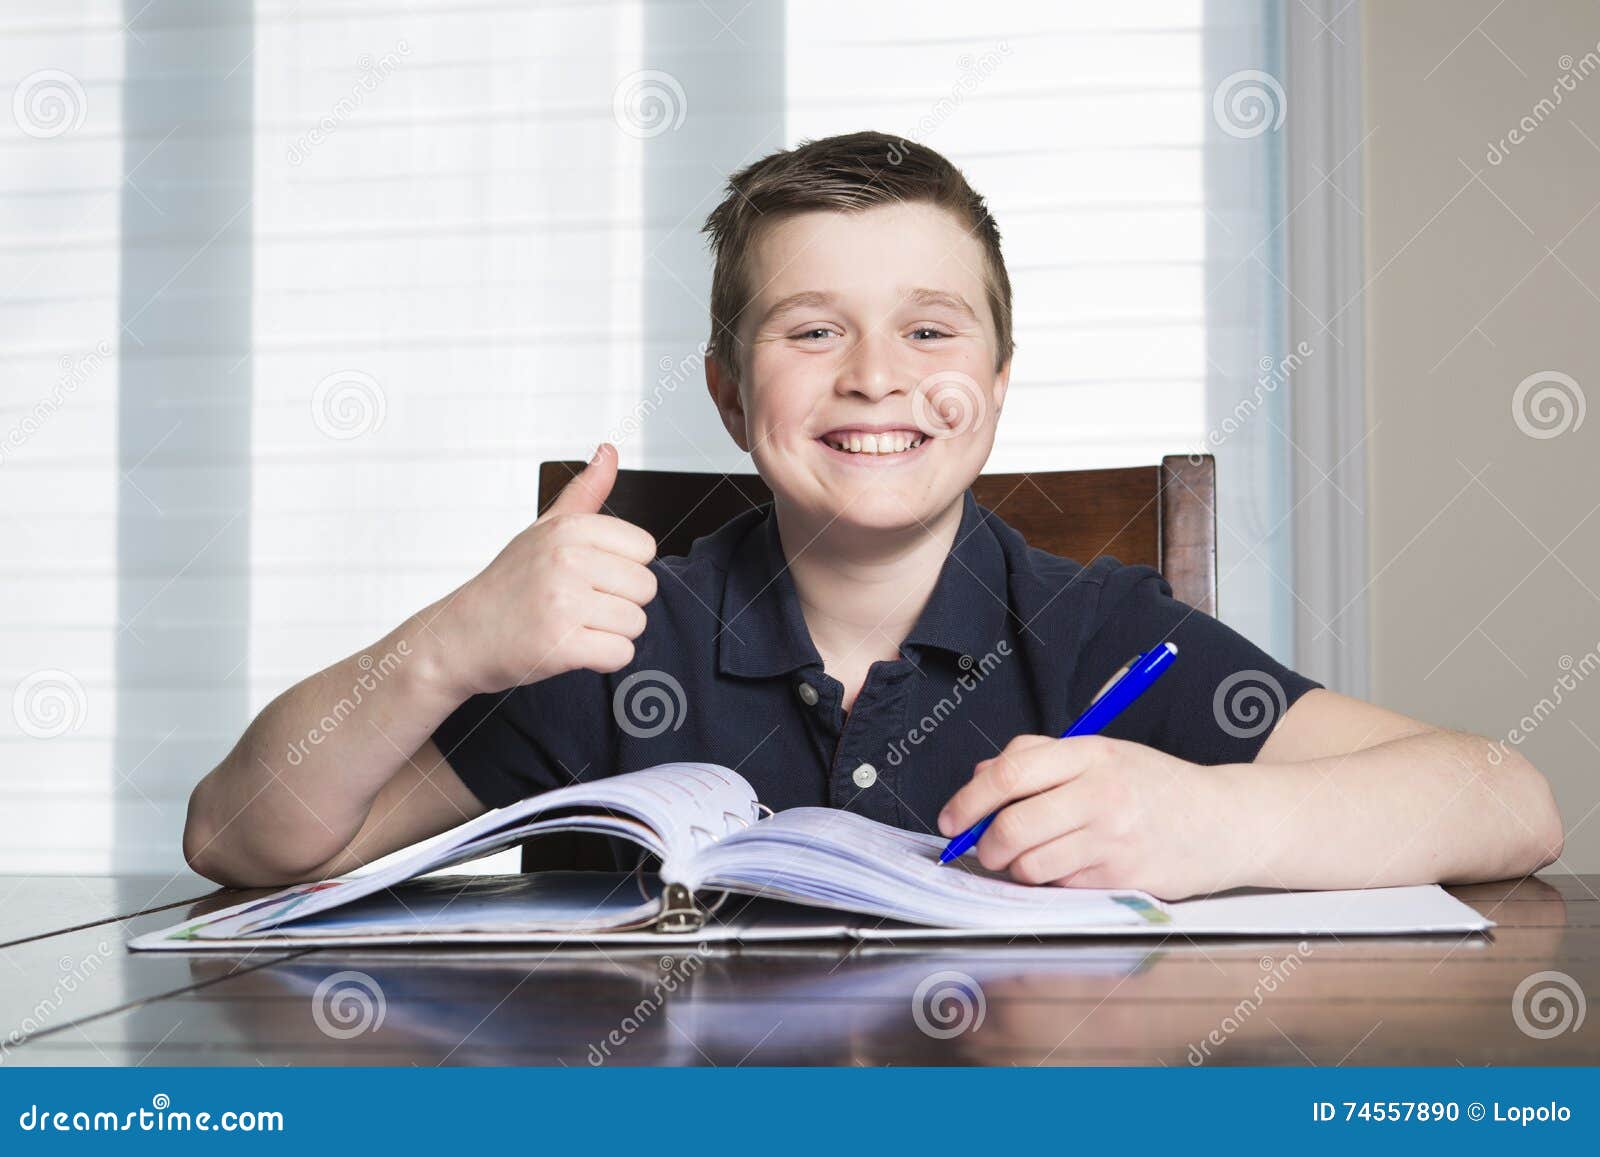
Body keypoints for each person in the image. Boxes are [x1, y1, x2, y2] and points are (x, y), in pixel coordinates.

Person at [181, 131, 1563, 900]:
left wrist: (1215, 823)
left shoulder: (1093, 629)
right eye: (812, 329)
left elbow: (1510, 798)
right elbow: (244, 839)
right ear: (731, 396)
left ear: (997, 388)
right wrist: (444, 645)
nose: (877, 376)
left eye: (929, 328)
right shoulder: (620, 637)